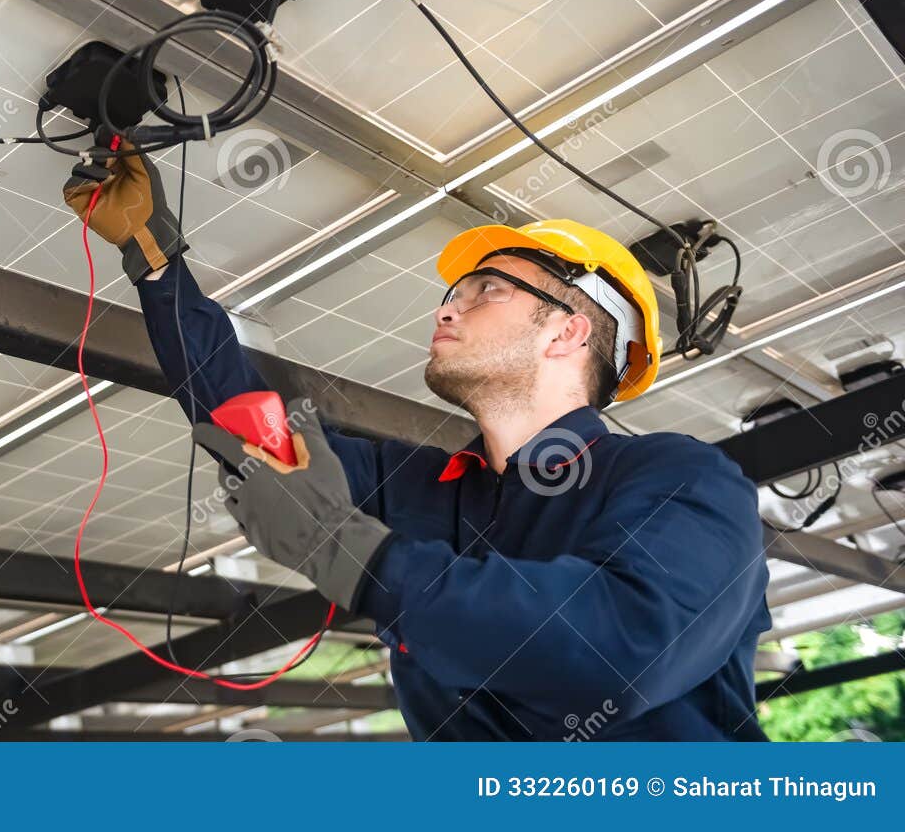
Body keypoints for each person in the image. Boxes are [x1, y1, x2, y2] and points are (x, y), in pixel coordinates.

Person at [63, 140, 771, 740]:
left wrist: (360, 558)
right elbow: (250, 420)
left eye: (487, 290)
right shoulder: (414, 488)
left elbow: (620, 651)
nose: (446, 306)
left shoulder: (684, 480)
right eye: (455, 292)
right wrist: (155, 262)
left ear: (568, 331)